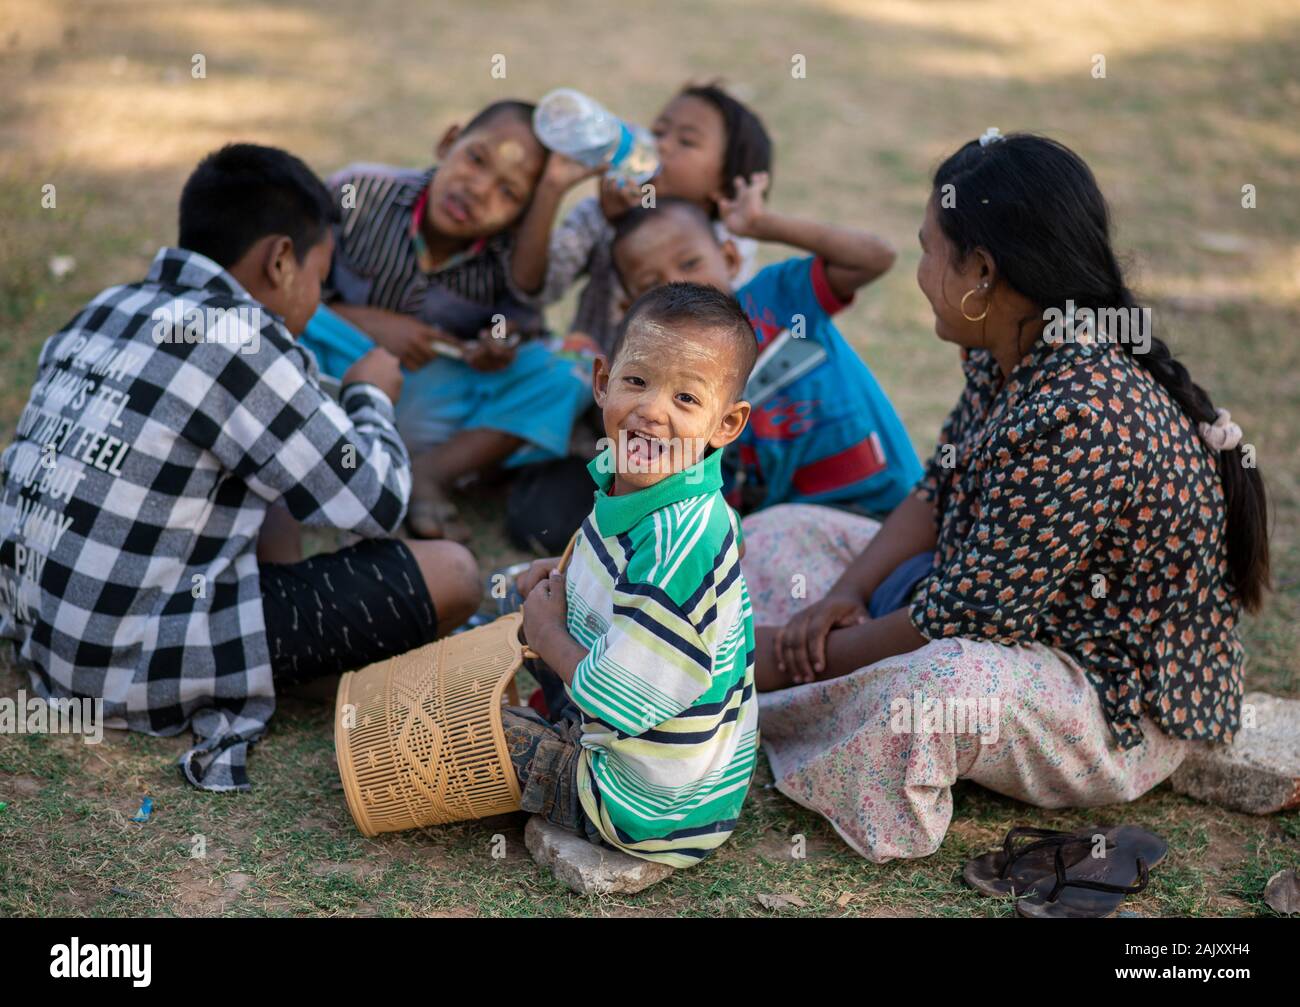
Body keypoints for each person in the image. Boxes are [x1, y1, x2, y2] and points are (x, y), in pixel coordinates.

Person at [742, 132, 1269, 862]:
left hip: (1103, 705)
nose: (921, 271)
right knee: (778, 532)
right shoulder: (1012, 344)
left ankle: (749, 693)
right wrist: (841, 593)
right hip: (992, 612)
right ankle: (784, 687)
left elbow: (969, 616)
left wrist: (802, 655)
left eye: (930, 250)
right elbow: (940, 489)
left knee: (939, 684)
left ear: (983, 271)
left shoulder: (1084, 414)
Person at [0, 144, 480, 791]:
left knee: (269, 482)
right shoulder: (239, 336)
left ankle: (276, 665)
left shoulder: (108, 306)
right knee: (453, 572)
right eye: (320, 272)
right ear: (281, 260)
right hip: (122, 664)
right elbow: (378, 502)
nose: (317, 296)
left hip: (45, 629)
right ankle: (293, 676)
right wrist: (372, 394)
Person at [509, 282, 759, 867]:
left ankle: (560, 752)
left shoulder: (685, 538)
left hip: (646, 802)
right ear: (603, 381)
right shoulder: (635, 474)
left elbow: (621, 702)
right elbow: (617, 572)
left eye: (687, 400)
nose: (652, 410)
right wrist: (569, 578)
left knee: (466, 735)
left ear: (727, 423)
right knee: (515, 598)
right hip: (623, 724)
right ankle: (553, 717)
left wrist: (546, 633)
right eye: (637, 381)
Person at [303, 100, 592, 540]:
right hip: (328, 378)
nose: (478, 190)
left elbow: (519, 324)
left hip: (420, 400)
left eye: (508, 193)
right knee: (272, 317)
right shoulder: (358, 193)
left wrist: (496, 345)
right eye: (476, 160)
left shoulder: (508, 258)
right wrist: (366, 321)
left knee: (569, 369)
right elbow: (284, 284)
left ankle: (428, 473)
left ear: (522, 216)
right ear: (448, 142)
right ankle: (339, 460)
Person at [611, 190, 923, 516]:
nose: (678, 284)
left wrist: (762, 224)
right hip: (794, 536)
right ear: (630, 308)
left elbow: (875, 257)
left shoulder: (779, 297)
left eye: (690, 263)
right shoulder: (663, 399)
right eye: (651, 284)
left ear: (730, 259)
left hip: (893, 510)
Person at [511, 82, 774, 356]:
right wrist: (551, 189)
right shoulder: (599, 214)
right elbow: (532, 287)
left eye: (686, 141)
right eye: (658, 132)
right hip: (590, 385)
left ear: (723, 184)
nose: (661, 145)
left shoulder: (728, 242)